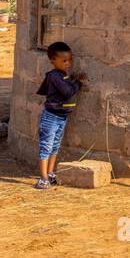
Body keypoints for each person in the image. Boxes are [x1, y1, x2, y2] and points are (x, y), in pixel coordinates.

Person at [34, 41, 87, 189]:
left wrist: (73, 80)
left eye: (69, 60)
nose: (68, 63)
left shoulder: (63, 75)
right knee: (46, 146)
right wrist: (78, 83)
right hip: (51, 117)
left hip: (61, 117)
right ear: (52, 60)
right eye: (64, 61)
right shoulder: (54, 76)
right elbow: (67, 92)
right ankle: (43, 178)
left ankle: (50, 173)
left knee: (55, 146)